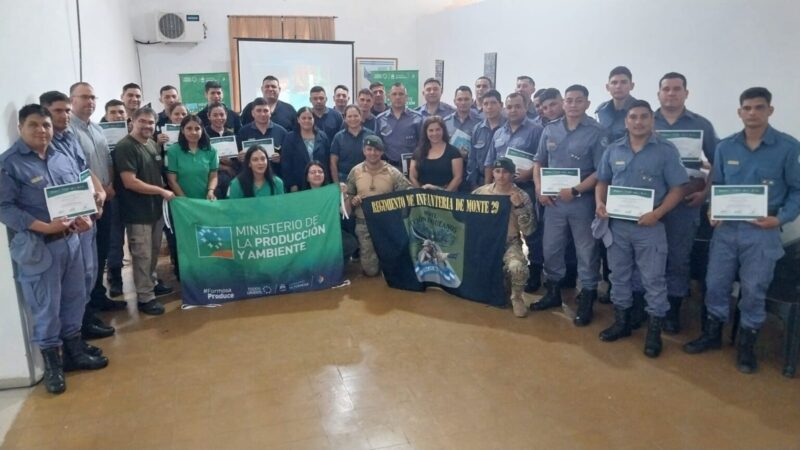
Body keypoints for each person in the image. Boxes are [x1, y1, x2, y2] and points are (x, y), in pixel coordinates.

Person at [684, 87, 800, 374]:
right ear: (740, 112)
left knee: (753, 289)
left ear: (769, 110)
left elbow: (797, 191)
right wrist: (712, 209)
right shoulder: (726, 147)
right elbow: (718, 186)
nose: (752, 113)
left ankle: (747, 346)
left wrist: (780, 218)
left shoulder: (788, 148)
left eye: (759, 108)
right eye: (747, 108)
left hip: (762, 231)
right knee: (716, 283)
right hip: (726, 231)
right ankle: (712, 335)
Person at [0, 105, 107, 394]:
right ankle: (53, 365)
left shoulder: (60, 157)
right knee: (47, 308)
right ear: (21, 127)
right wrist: (43, 226)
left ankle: (74, 353)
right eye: (34, 125)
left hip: (71, 241)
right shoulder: (10, 164)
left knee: (74, 298)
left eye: (46, 125)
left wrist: (86, 213)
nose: (42, 131)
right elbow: (5, 208)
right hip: (40, 248)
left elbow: (76, 190)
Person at [595, 100, 688, 358]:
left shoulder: (666, 151)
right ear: (626, 121)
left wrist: (657, 213)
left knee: (654, 279)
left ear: (652, 120)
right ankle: (622, 322)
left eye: (643, 117)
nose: (638, 122)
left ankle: (654, 332)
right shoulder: (613, 150)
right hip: (617, 226)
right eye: (633, 117)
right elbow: (602, 181)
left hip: (650, 226)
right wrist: (600, 203)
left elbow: (678, 189)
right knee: (619, 276)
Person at [42, 90, 116, 356]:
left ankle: (84, 322)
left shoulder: (71, 139)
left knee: (89, 271)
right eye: (57, 111)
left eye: (65, 111)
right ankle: (75, 337)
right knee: (75, 281)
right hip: (68, 223)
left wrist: (99, 192)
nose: (63, 116)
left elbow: (85, 170)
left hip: (89, 214)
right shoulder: (45, 146)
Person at [531, 85, 605, 326]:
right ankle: (552, 292)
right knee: (551, 247)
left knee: (586, 251)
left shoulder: (596, 132)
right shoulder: (550, 129)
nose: (573, 105)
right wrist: (539, 188)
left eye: (578, 100)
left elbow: (601, 172)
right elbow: (538, 161)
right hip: (552, 202)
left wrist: (576, 190)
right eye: (569, 101)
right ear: (563, 103)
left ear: (587, 103)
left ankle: (587, 297)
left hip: (581, 202)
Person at [653, 72, 719, 333]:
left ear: (686, 93)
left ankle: (672, 310)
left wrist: (706, 194)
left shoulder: (701, 125)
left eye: (676, 89)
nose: (671, 93)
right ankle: (647, 306)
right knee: (649, 257)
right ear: (658, 93)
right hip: (653, 203)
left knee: (678, 258)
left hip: (686, 204)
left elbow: (717, 162)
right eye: (666, 89)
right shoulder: (646, 121)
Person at [114, 107, 176, 316]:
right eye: (143, 121)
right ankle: (145, 298)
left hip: (155, 210)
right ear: (132, 121)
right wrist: (161, 191)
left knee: (152, 253)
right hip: (137, 212)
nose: (147, 126)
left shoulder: (151, 144)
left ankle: (151, 283)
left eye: (151, 123)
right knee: (141, 255)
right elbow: (129, 182)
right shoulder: (125, 147)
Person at [484, 92, 545, 293]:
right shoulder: (499, 133)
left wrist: (529, 175)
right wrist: (487, 188)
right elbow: (490, 162)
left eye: (517, 106)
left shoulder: (537, 131)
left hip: (526, 187)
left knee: (530, 231)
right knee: (500, 228)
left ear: (525, 107)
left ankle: (534, 270)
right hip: (500, 188)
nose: (513, 110)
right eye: (509, 107)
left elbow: (543, 161)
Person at [472, 157, 535, 317]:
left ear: (513, 174)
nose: (501, 176)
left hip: (509, 243)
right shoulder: (481, 192)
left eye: (505, 172)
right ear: (492, 173)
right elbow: (463, 210)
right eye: (497, 171)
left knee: (517, 268)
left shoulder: (521, 196)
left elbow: (529, 229)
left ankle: (517, 298)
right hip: (484, 242)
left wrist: (519, 207)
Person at [346, 135, 412, 276]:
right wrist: (354, 201)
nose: (373, 153)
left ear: (382, 152)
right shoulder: (355, 171)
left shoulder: (393, 172)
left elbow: (407, 193)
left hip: (387, 223)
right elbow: (349, 194)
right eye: (369, 149)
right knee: (370, 271)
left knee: (391, 268)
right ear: (364, 151)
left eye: (377, 150)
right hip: (364, 223)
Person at [301, 160, 358, 261]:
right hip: (310, 235)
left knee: (350, 243)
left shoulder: (332, 193)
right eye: (313, 172)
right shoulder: (301, 196)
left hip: (330, 233)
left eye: (320, 171)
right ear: (307, 177)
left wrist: (344, 195)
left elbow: (345, 212)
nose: (317, 174)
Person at [166, 114, 219, 200]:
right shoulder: (173, 151)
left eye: (197, 129)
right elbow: (172, 181)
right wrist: (185, 200)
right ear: (182, 130)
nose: (193, 132)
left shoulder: (211, 151)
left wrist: (211, 191)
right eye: (189, 128)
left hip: (205, 200)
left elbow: (214, 176)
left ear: (202, 130)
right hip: (183, 201)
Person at [281, 107, 331, 191]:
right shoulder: (290, 138)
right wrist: (292, 184)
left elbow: (327, 161)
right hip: (299, 183)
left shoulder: (323, 136)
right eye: (303, 118)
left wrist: (327, 181)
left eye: (310, 118)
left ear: (314, 119)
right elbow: (286, 163)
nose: (307, 121)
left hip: (320, 183)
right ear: (298, 119)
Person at [237, 97, 288, 177]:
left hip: (276, 176)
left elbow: (289, 158)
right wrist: (240, 158)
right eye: (258, 111)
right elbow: (238, 158)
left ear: (270, 112)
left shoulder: (282, 132)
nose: (262, 114)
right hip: (251, 178)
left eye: (265, 111)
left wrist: (280, 159)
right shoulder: (243, 132)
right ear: (252, 113)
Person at [409, 116, 463, 192]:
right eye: (431, 130)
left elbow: (458, 178)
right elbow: (412, 177)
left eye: (438, 130)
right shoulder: (418, 152)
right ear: (426, 132)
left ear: (443, 131)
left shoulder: (454, 152)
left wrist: (444, 195)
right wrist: (420, 193)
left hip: (447, 197)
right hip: (423, 197)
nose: (434, 133)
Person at [376, 82, 423, 168]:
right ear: (389, 97)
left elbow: (422, 145)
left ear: (406, 97)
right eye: (394, 94)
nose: (397, 97)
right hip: (387, 167)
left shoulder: (418, 118)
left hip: (411, 167)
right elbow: (377, 145)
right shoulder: (380, 119)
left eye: (401, 94)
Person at [468, 89, 505, 190]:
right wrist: (473, 183)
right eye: (485, 104)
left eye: (493, 103)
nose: (489, 107)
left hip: (503, 183)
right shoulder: (477, 129)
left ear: (501, 105)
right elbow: (472, 159)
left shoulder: (508, 128)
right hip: (480, 181)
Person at [330, 105, 376, 183]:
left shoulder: (371, 135)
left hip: (366, 177)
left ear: (361, 117)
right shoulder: (338, 137)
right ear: (345, 118)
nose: (353, 119)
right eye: (349, 116)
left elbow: (376, 158)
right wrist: (336, 184)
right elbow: (333, 162)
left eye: (355, 116)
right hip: (344, 179)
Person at [596, 66, 637, 142]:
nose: (618, 86)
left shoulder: (641, 111)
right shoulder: (601, 111)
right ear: (607, 87)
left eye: (623, 82)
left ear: (632, 86)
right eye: (614, 83)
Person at [204, 102, 237, 199]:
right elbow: (202, 159)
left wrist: (230, 163)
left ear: (226, 115)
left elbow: (237, 161)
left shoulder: (232, 135)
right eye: (215, 115)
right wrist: (223, 167)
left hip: (231, 179)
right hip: (210, 179)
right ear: (208, 116)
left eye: (222, 114)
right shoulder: (203, 135)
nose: (219, 118)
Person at [444, 86, 482, 160]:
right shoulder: (445, 122)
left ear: (472, 101)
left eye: (466, 99)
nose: (463, 102)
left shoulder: (480, 122)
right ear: (454, 101)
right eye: (460, 99)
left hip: (472, 167)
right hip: (450, 165)